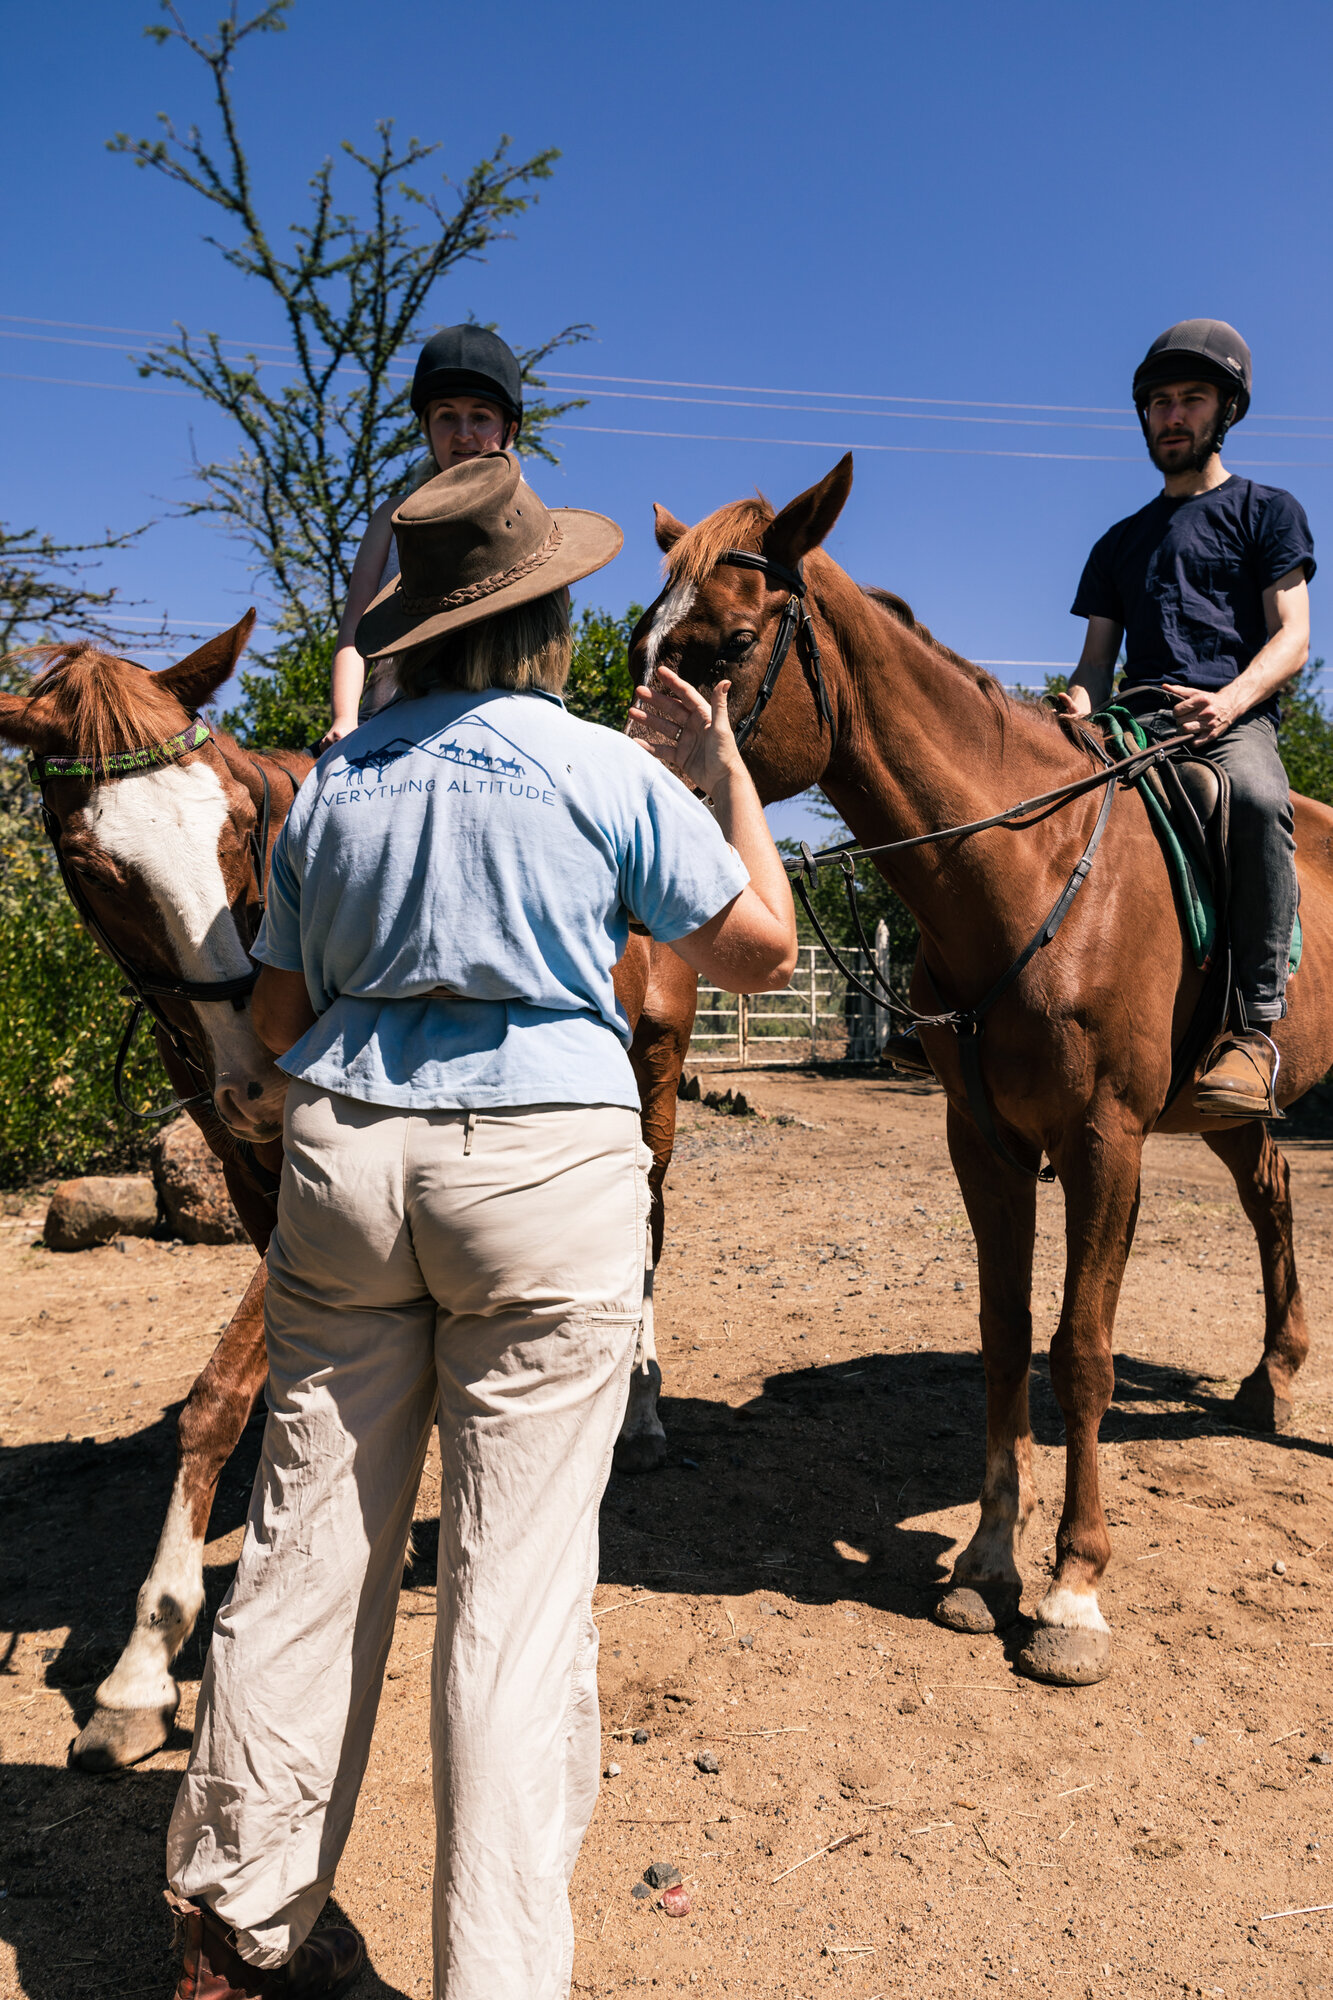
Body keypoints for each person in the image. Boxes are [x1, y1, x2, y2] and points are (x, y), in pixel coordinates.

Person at [163, 448, 798, 2000]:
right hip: (548, 1178)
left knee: (309, 1553)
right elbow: (760, 954)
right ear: (541, 627)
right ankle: (496, 1975)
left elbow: (280, 1008)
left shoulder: (342, 784)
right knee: (513, 1599)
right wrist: (719, 773)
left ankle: (237, 1927)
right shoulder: (604, 770)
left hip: (353, 1170)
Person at [1058, 318, 1315, 1117]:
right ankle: (954, 1012)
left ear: (1225, 410)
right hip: (1130, 724)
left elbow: (1293, 637)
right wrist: (1067, 714)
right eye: (1159, 402)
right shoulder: (1117, 541)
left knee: (1260, 800)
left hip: (1228, 720)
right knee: (1012, 793)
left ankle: (1254, 1028)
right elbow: (1096, 665)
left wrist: (1232, 701)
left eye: (1191, 400)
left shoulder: (1266, 511)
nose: (1171, 415)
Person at [319, 325, 525, 749]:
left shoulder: (534, 525)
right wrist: (344, 719)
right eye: (446, 415)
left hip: (495, 728)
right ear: (427, 426)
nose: (463, 432)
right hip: (388, 723)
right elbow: (354, 633)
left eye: (481, 416)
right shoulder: (390, 519)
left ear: (510, 429)